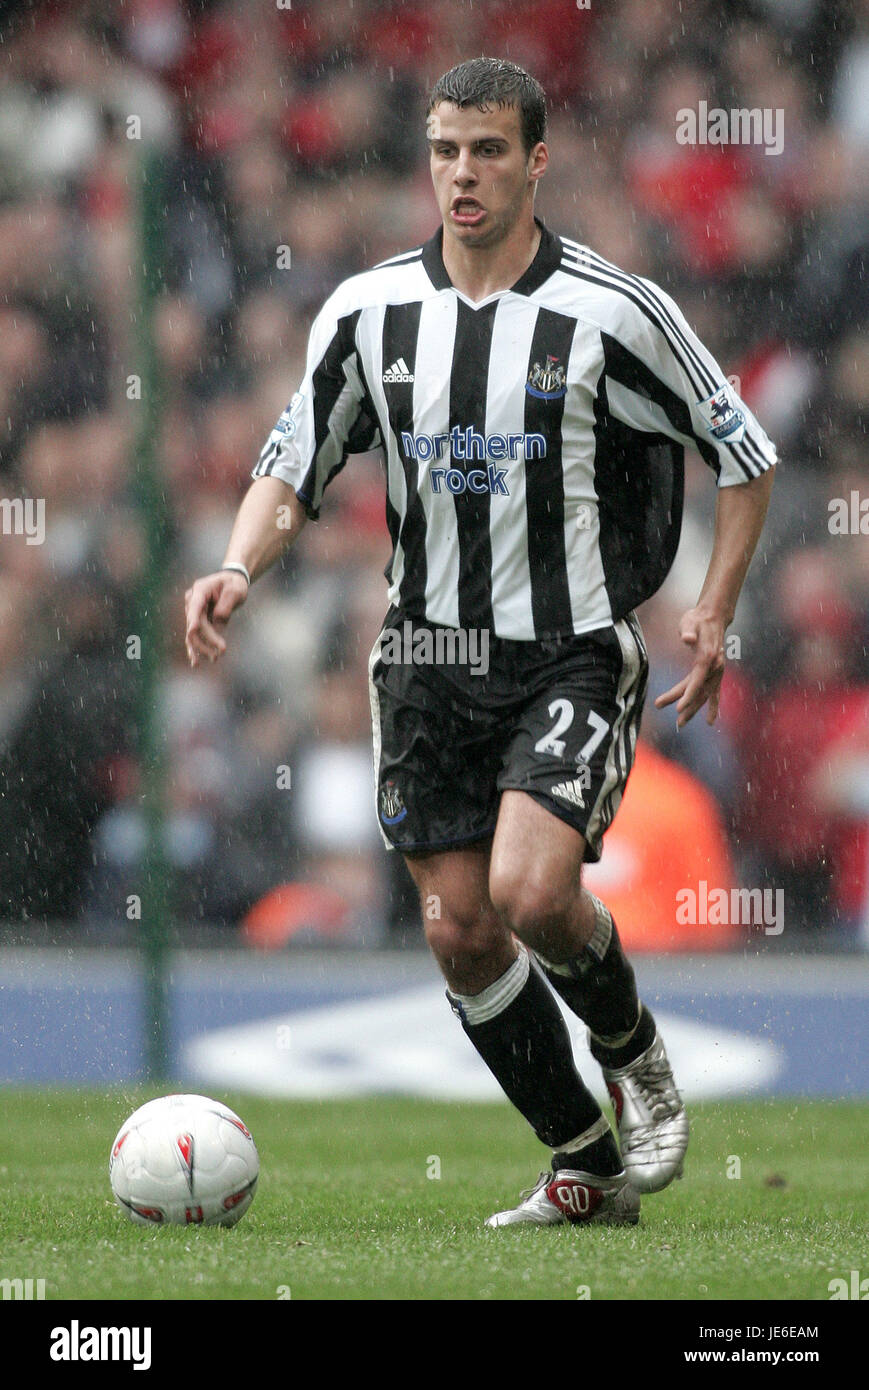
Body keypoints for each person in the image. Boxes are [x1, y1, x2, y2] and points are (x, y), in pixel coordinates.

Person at [185, 58, 776, 1228]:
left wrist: (713, 607)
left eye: (489, 149)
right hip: (423, 660)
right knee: (459, 928)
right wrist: (239, 564)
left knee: (529, 888)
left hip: (566, 651)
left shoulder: (611, 310)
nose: (463, 172)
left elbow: (743, 454)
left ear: (534, 161)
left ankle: (635, 1053)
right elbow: (293, 460)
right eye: (446, 149)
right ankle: (583, 1163)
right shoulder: (366, 312)